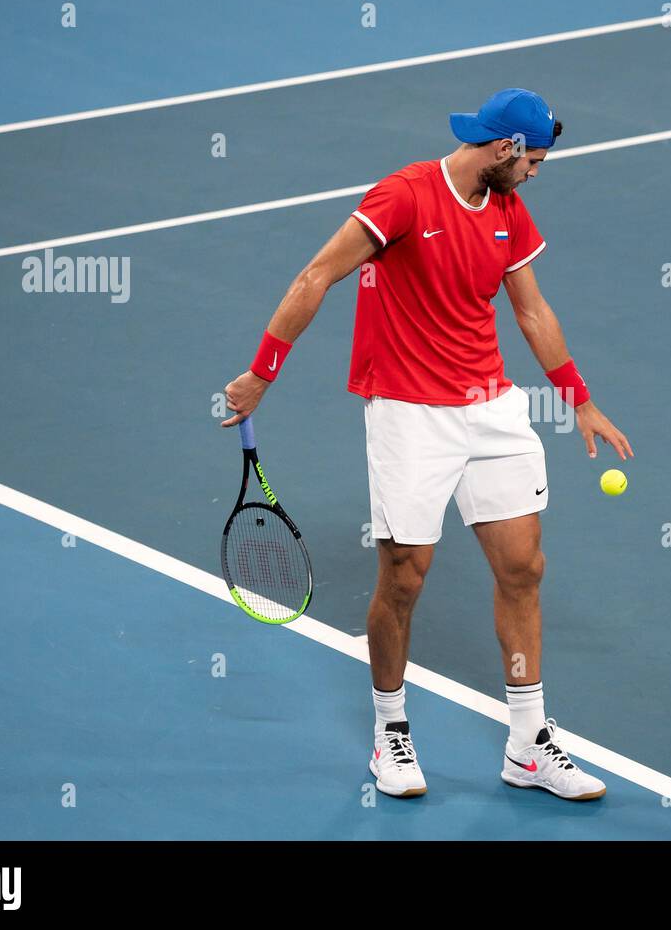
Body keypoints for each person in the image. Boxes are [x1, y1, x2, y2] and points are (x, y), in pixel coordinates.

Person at [222, 87, 633, 800]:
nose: (537, 171)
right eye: (533, 159)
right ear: (503, 149)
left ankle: (528, 746)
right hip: (409, 415)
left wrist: (580, 399)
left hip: (491, 410)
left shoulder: (506, 209)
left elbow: (530, 308)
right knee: (405, 577)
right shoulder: (405, 196)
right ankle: (391, 733)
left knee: (523, 570)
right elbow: (316, 274)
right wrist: (262, 373)